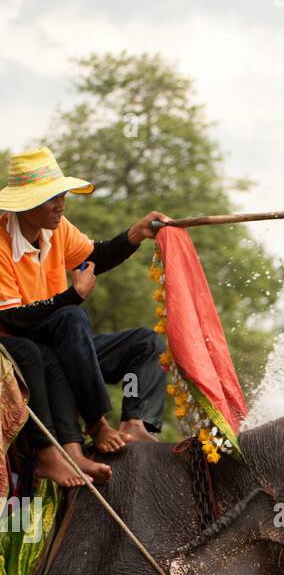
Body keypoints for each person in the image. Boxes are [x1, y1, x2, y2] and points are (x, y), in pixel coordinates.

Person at [0, 147, 172, 487]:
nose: (61, 204)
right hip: (21, 339)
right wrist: (72, 296)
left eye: (62, 195)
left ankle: (136, 423)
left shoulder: (58, 228)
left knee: (147, 342)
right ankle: (96, 422)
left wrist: (136, 233)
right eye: (52, 198)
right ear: (26, 204)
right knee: (71, 317)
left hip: (65, 338)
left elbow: (95, 256)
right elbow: (15, 319)